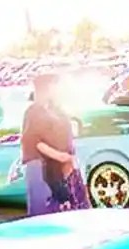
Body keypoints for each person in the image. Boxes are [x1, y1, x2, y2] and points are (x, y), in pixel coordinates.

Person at [20, 73, 88, 215]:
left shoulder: (56, 110)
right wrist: (60, 156)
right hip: (42, 166)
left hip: (61, 167)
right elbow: (34, 141)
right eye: (54, 87)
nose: (58, 91)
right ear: (45, 89)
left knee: (70, 207)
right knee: (42, 211)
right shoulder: (34, 112)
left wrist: (68, 159)